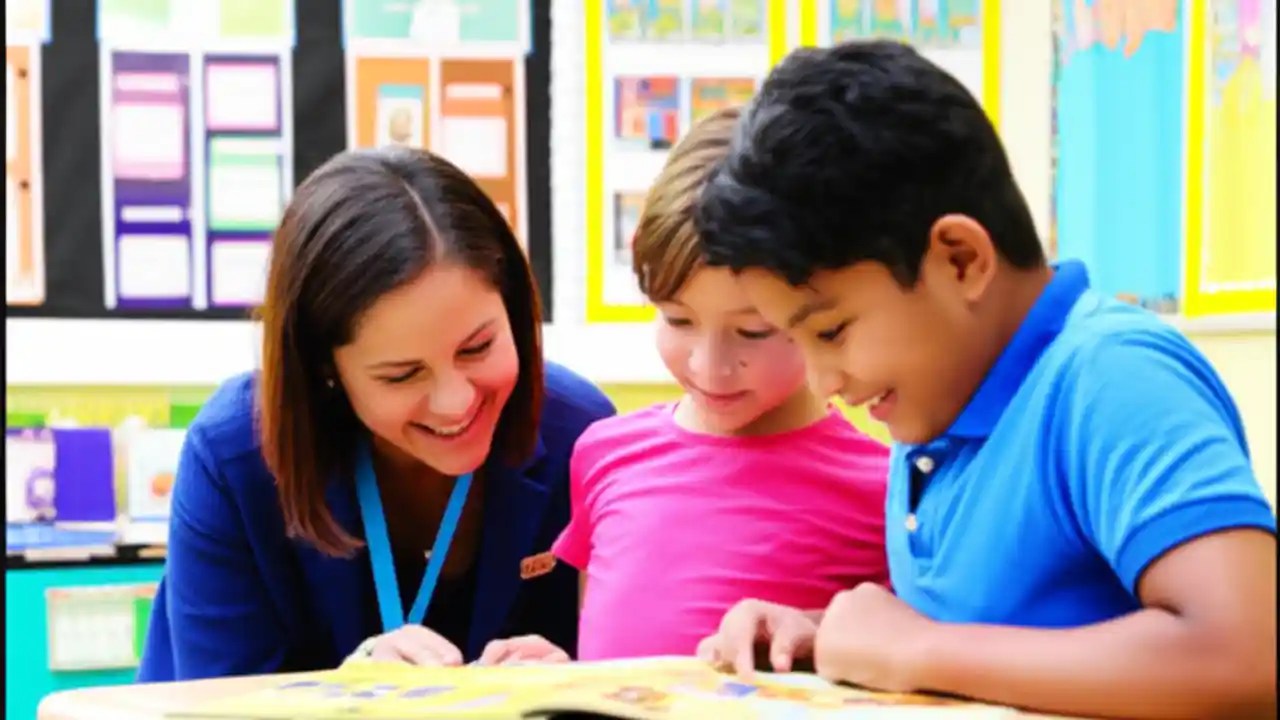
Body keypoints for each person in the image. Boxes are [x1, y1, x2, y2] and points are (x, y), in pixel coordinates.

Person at [691, 41, 1278, 719]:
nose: (825, 383)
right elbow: (1012, 645)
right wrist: (827, 636)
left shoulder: (1111, 378)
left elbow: (1247, 655)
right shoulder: (939, 403)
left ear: (962, 260)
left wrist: (920, 651)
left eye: (831, 332)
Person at [137, 147, 615, 681]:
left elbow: (638, 673)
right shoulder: (235, 460)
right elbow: (211, 707)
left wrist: (582, 680)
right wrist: (345, 698)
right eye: (402, 375)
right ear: (326, 368)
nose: (455, 401)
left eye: (477, 347)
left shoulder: (584, 439)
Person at [479, 107, 890, 666]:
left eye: (752, 331)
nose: (709, 365)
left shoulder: (885, 490)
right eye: (677, 319)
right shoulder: (605, 453)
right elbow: (608, 657)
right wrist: (562, 674)